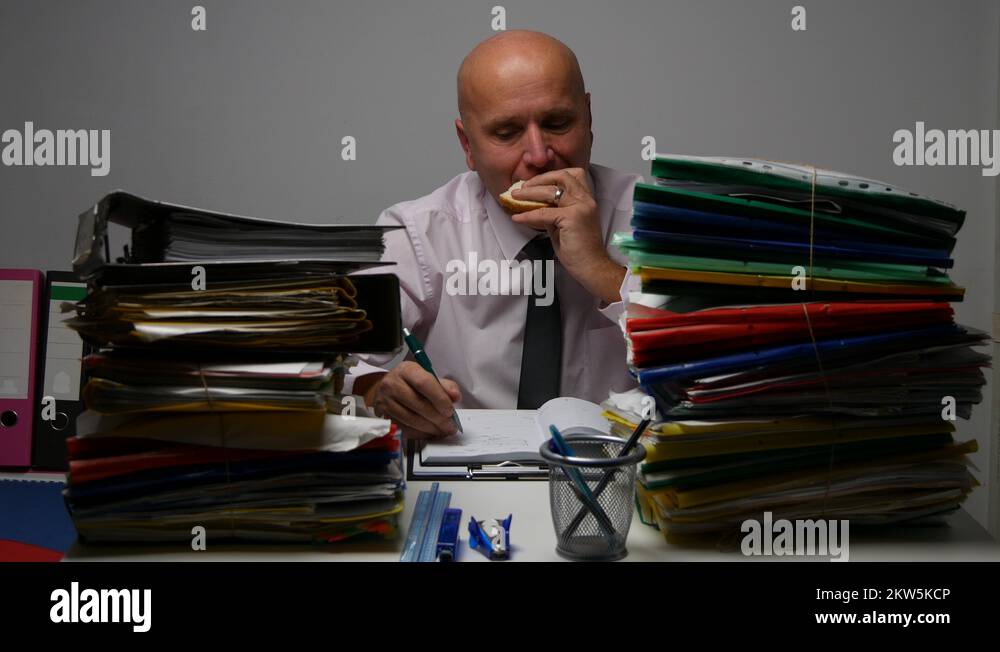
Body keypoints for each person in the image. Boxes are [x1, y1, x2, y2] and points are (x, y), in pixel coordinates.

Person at [348, 30, 642, 438]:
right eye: (506, 132)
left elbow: (721, 365)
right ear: (468, 144)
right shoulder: (419, 232)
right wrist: (375, 388)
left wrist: (602, 272)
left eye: (558, 123)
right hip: (468, 481)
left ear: (588, 119)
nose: (539, 155)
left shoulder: (652, 220)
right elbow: (329, 357)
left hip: (615, 478)